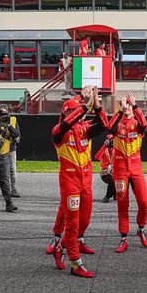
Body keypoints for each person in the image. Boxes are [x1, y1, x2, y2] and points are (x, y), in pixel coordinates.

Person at [51, 86, 108, 278]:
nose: (82, 111)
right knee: (73, 223)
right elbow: (67, 124)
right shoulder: (59, 131)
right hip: (70, 182)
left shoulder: (86, 129)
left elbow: (104, 125)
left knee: (85, 221)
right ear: (68, 112)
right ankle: (75, 263)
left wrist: (97, 104)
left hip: (86, 181)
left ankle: (61, 245)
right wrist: (85, 106)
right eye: (76, 109)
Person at [107, 91, 147, 253]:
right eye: (123, 104)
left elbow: (145, 125)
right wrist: (121, 111)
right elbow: (109, 128)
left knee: (144, 203)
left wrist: (136, 106)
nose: (126, 107)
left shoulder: (138, 121)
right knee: (122, 204)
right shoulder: (117, 121)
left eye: (128, 104)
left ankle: (140, 229)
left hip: (136, 167)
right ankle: (123, 238)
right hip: (120, 169)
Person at [2, 105, 21, 199]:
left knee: (12, 169)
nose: (4, 117)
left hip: (11, 148)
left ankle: (14, 189)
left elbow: (18, 135)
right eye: (2, 114)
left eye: (6, 114)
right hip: (0, 149)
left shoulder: (13, 120)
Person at [94, 135, 116, 202]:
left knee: (118, 179)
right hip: (105, 172)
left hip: (114, 172)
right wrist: (104, 146)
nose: (112, 141)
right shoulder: (104, 149)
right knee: (112, 180)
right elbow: (97, 157)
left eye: (113, 139)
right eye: (110, 140)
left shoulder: (116, 149)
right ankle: (107, 196)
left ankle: (116, 195)